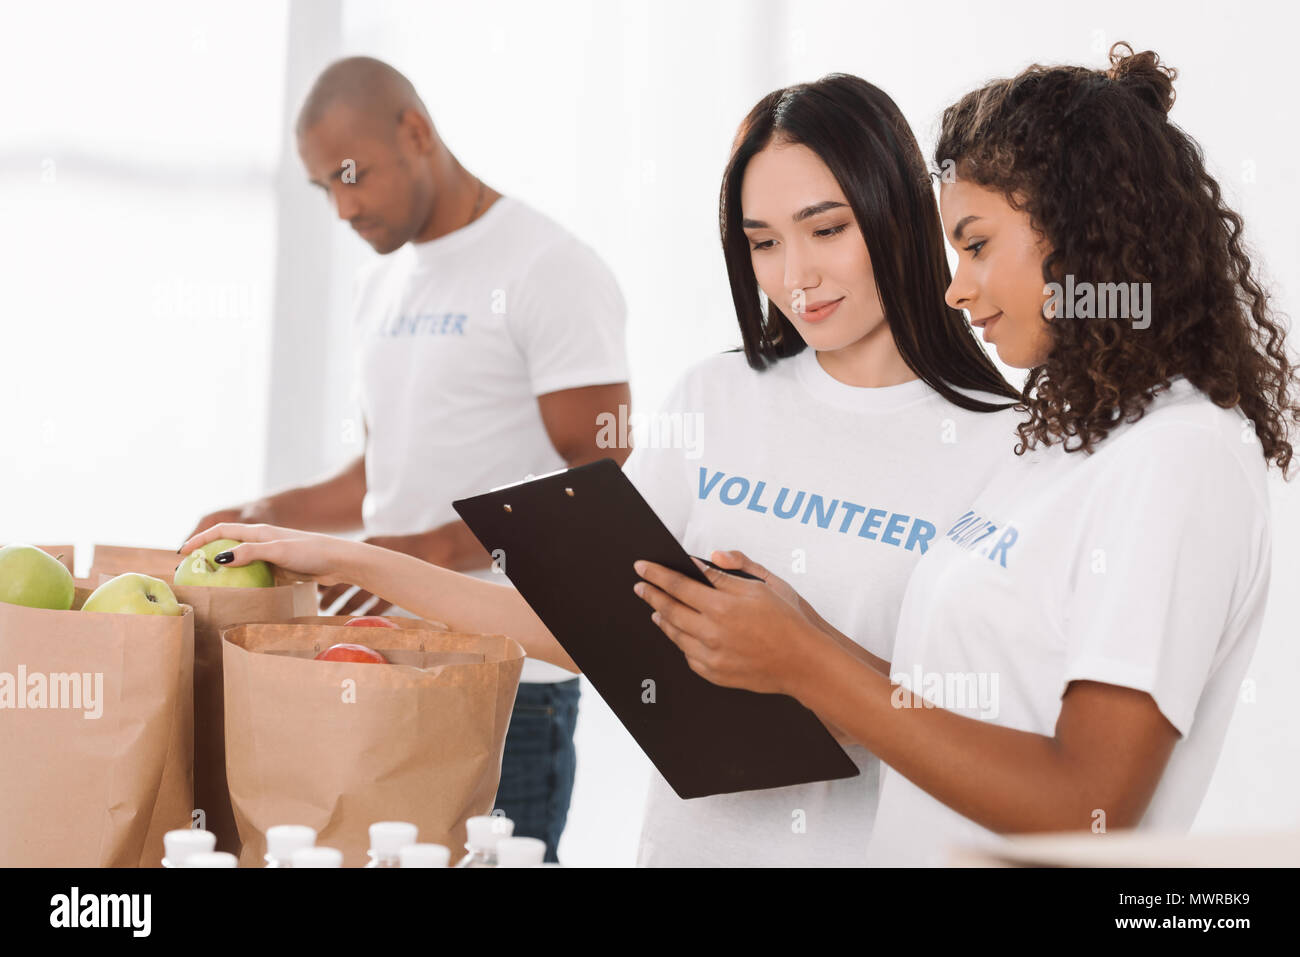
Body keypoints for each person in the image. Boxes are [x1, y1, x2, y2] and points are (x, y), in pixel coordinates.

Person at [180, 73, 1026, 866]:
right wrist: (350, 558)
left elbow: (997, 733)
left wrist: (814, 669)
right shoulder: (718, 396)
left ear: (903, 210)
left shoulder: (1007, 449)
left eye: (828, 228)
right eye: (763, 242)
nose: (795, 279)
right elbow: (584, 627)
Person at [629, 43, 1299, 866]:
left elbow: (1088, 802)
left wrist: (806, 664)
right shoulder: (1064, 444)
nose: (955, 286)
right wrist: (806, 638)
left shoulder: (1180, 460)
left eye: (977, 246)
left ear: (1082, 233)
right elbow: (962, 710)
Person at [186, 57, 631, 863]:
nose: (344, 205)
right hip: (381, 661)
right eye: (324, 188)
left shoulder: (548, 267)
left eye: (351, 175)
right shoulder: (379, 285)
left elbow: (602, 473)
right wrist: (260, 516)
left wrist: (430, 550)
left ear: (417, 132)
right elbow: (377, 475)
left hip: (510, 683)